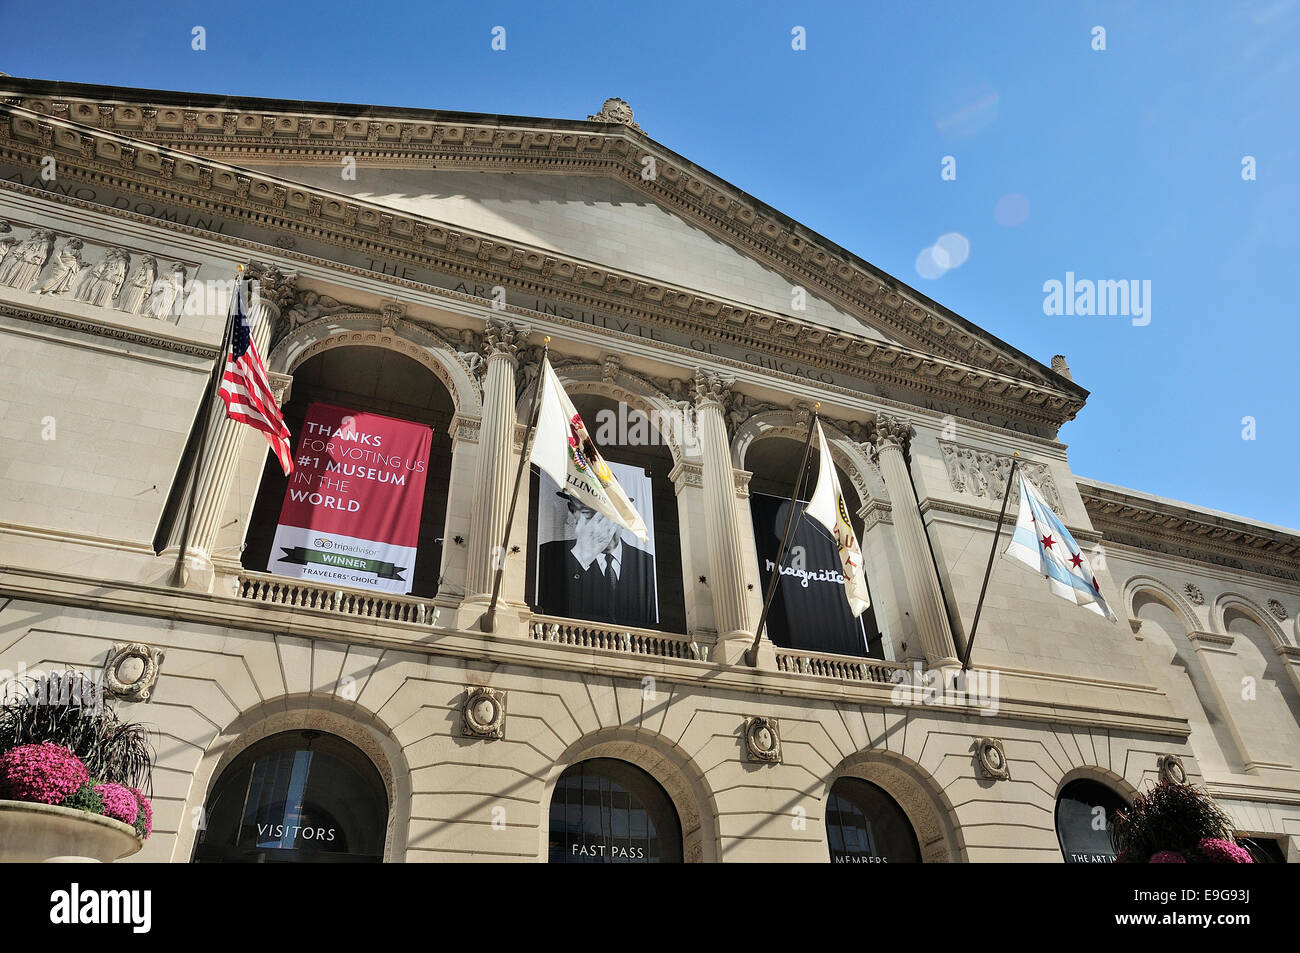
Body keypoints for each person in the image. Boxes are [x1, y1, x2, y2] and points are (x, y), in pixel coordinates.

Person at [537, 493, 656, 627]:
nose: (598, 525)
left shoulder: (648, 565)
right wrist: (581, 556)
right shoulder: (549, 554)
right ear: (574, 514)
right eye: (589, 514)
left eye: (609, 515)